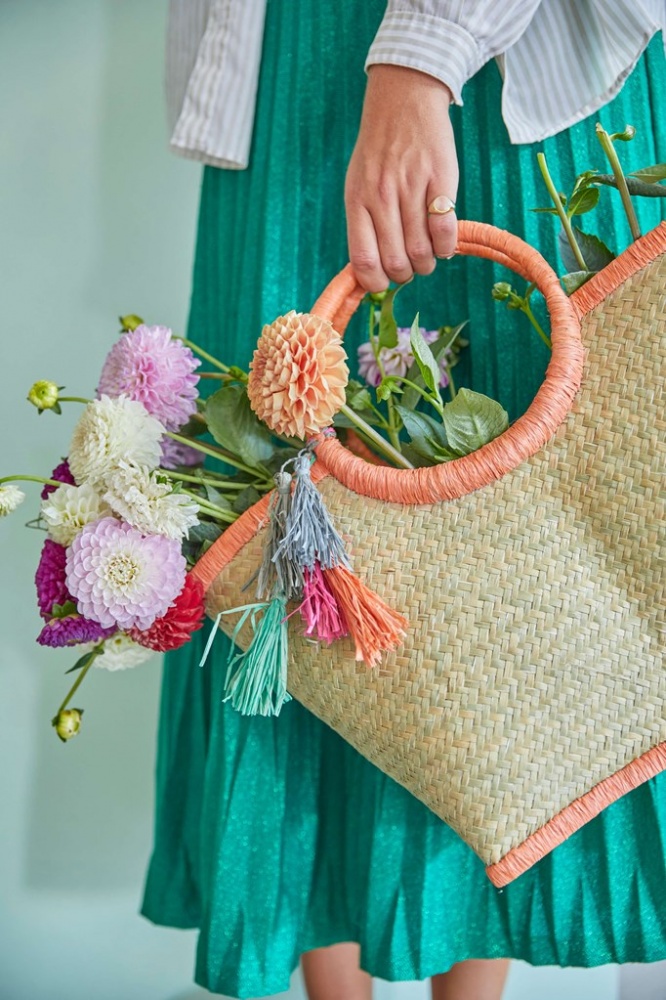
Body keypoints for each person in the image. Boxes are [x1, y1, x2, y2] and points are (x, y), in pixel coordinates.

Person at [142, 3, 666, 997]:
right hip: (288, 48)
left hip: (510, 45)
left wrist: (428, 51)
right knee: (290, 534)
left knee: (511, 542)